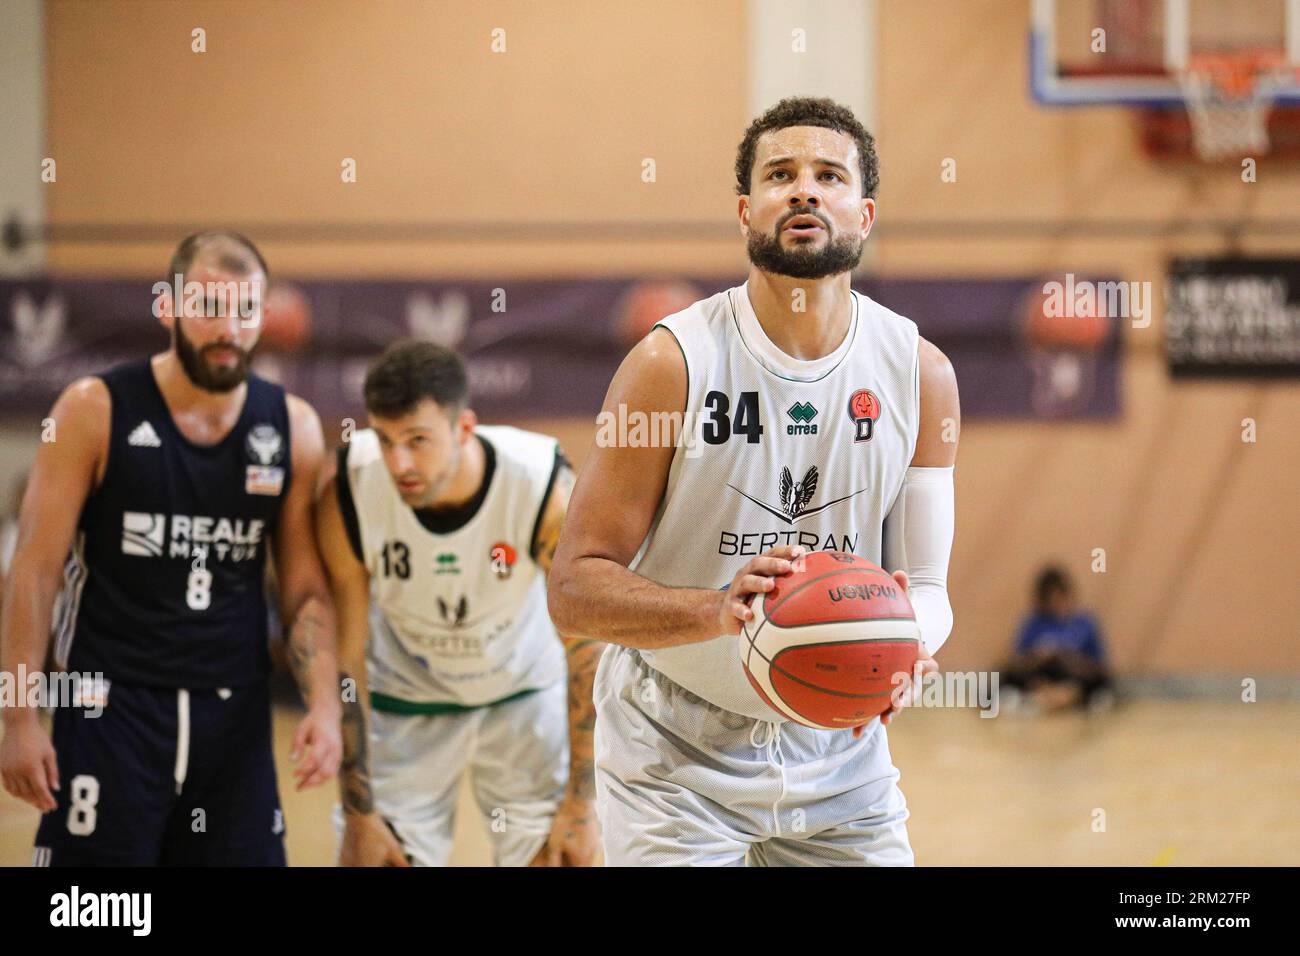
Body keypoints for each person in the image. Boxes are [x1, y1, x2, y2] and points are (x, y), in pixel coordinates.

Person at [548, 96, 959, 866]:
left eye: (828, 175)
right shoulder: (671, 364)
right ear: (746, 211)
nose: (804, 190)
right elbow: (572, 589)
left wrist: (903, 645)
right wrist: (719, 608)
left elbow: (928, 589)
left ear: (864, 215)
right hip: (673, 755)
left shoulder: (920, 373)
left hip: (840, 748)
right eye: (780, 175)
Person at [0, 231, 342, 865]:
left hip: (235, 717)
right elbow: (33, 571)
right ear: (169, 307)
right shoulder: (92, 410)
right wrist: (16, 717)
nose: (228, 328)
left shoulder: (289, 426)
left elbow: (303, 586)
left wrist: (324, 701)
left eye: (244, 310)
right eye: (209, 307)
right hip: (111, 707)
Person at [315, 340, 602, 867]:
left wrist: (583, 805)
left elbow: (588, 649)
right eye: (385, 439)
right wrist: (358, 811)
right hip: (406, 698)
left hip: (523, 691)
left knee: (566, 858)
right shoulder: (350, 492)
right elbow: (346, 653)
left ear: (464, 429)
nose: (399, 462)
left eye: (417, 440)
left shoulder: (542, 488)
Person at [1002, 566, 1113, 714]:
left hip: (1073, 677)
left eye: (1059, 597)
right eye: (1050, 599)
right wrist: (1038, 656)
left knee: (1097, 681)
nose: (1056, 603)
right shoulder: (1034, 622)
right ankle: (1046, 696)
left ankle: (1062, 697)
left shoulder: (1085, 623)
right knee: (1006, 675)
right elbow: (1016, 662)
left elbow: (1100, 666)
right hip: (1041, 677)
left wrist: (1068, 658)